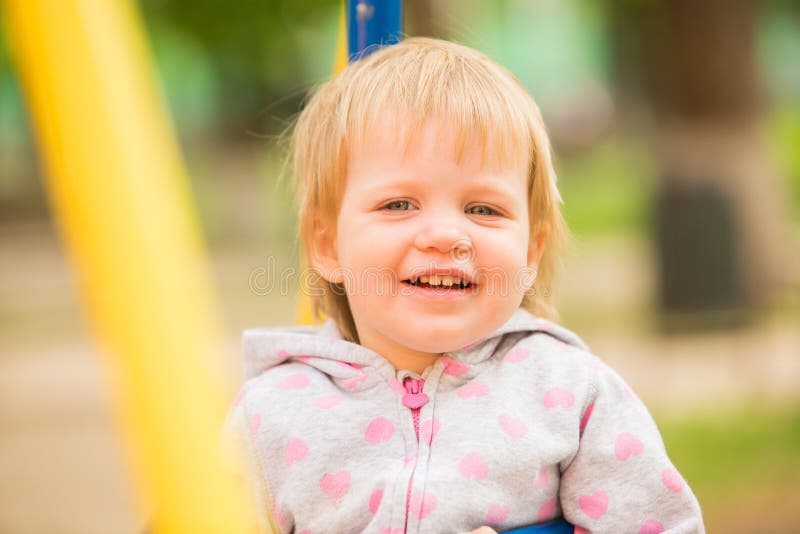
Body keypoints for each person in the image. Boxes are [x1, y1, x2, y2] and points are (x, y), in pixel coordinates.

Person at [223, 37, 705, 534]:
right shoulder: (272, 417)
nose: (445, 236)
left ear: (531, 251)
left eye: (483, 209)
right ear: (327, 245)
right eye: (398, 204)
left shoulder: (567, 392)